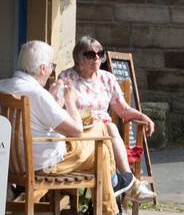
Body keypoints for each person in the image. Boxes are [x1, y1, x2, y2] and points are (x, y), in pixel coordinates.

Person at [0, 40, 144, 215]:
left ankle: (112, 208)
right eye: (51, 66)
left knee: (100, 132)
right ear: (42, 68)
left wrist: (53, 96)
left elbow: (41, 119)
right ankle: (113, 202)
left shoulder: (3, 86)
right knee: (101, 143)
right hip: (44, 164)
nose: (51, 70)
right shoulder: (36, 94)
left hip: (12, 161)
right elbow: (76, 130)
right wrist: (70, 101)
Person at [58, 37, 156, 202]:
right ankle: (129, 182)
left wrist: (143, 116)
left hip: (104, 137)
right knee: (110, 126)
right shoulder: (67, 77)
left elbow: (123, 109)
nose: (97, 58)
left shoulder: (107, 78)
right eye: (90, 54)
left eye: (99, 54)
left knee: (108, 127)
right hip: (79, 134)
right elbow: (58, 109)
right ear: (79, 58)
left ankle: (121, 184)